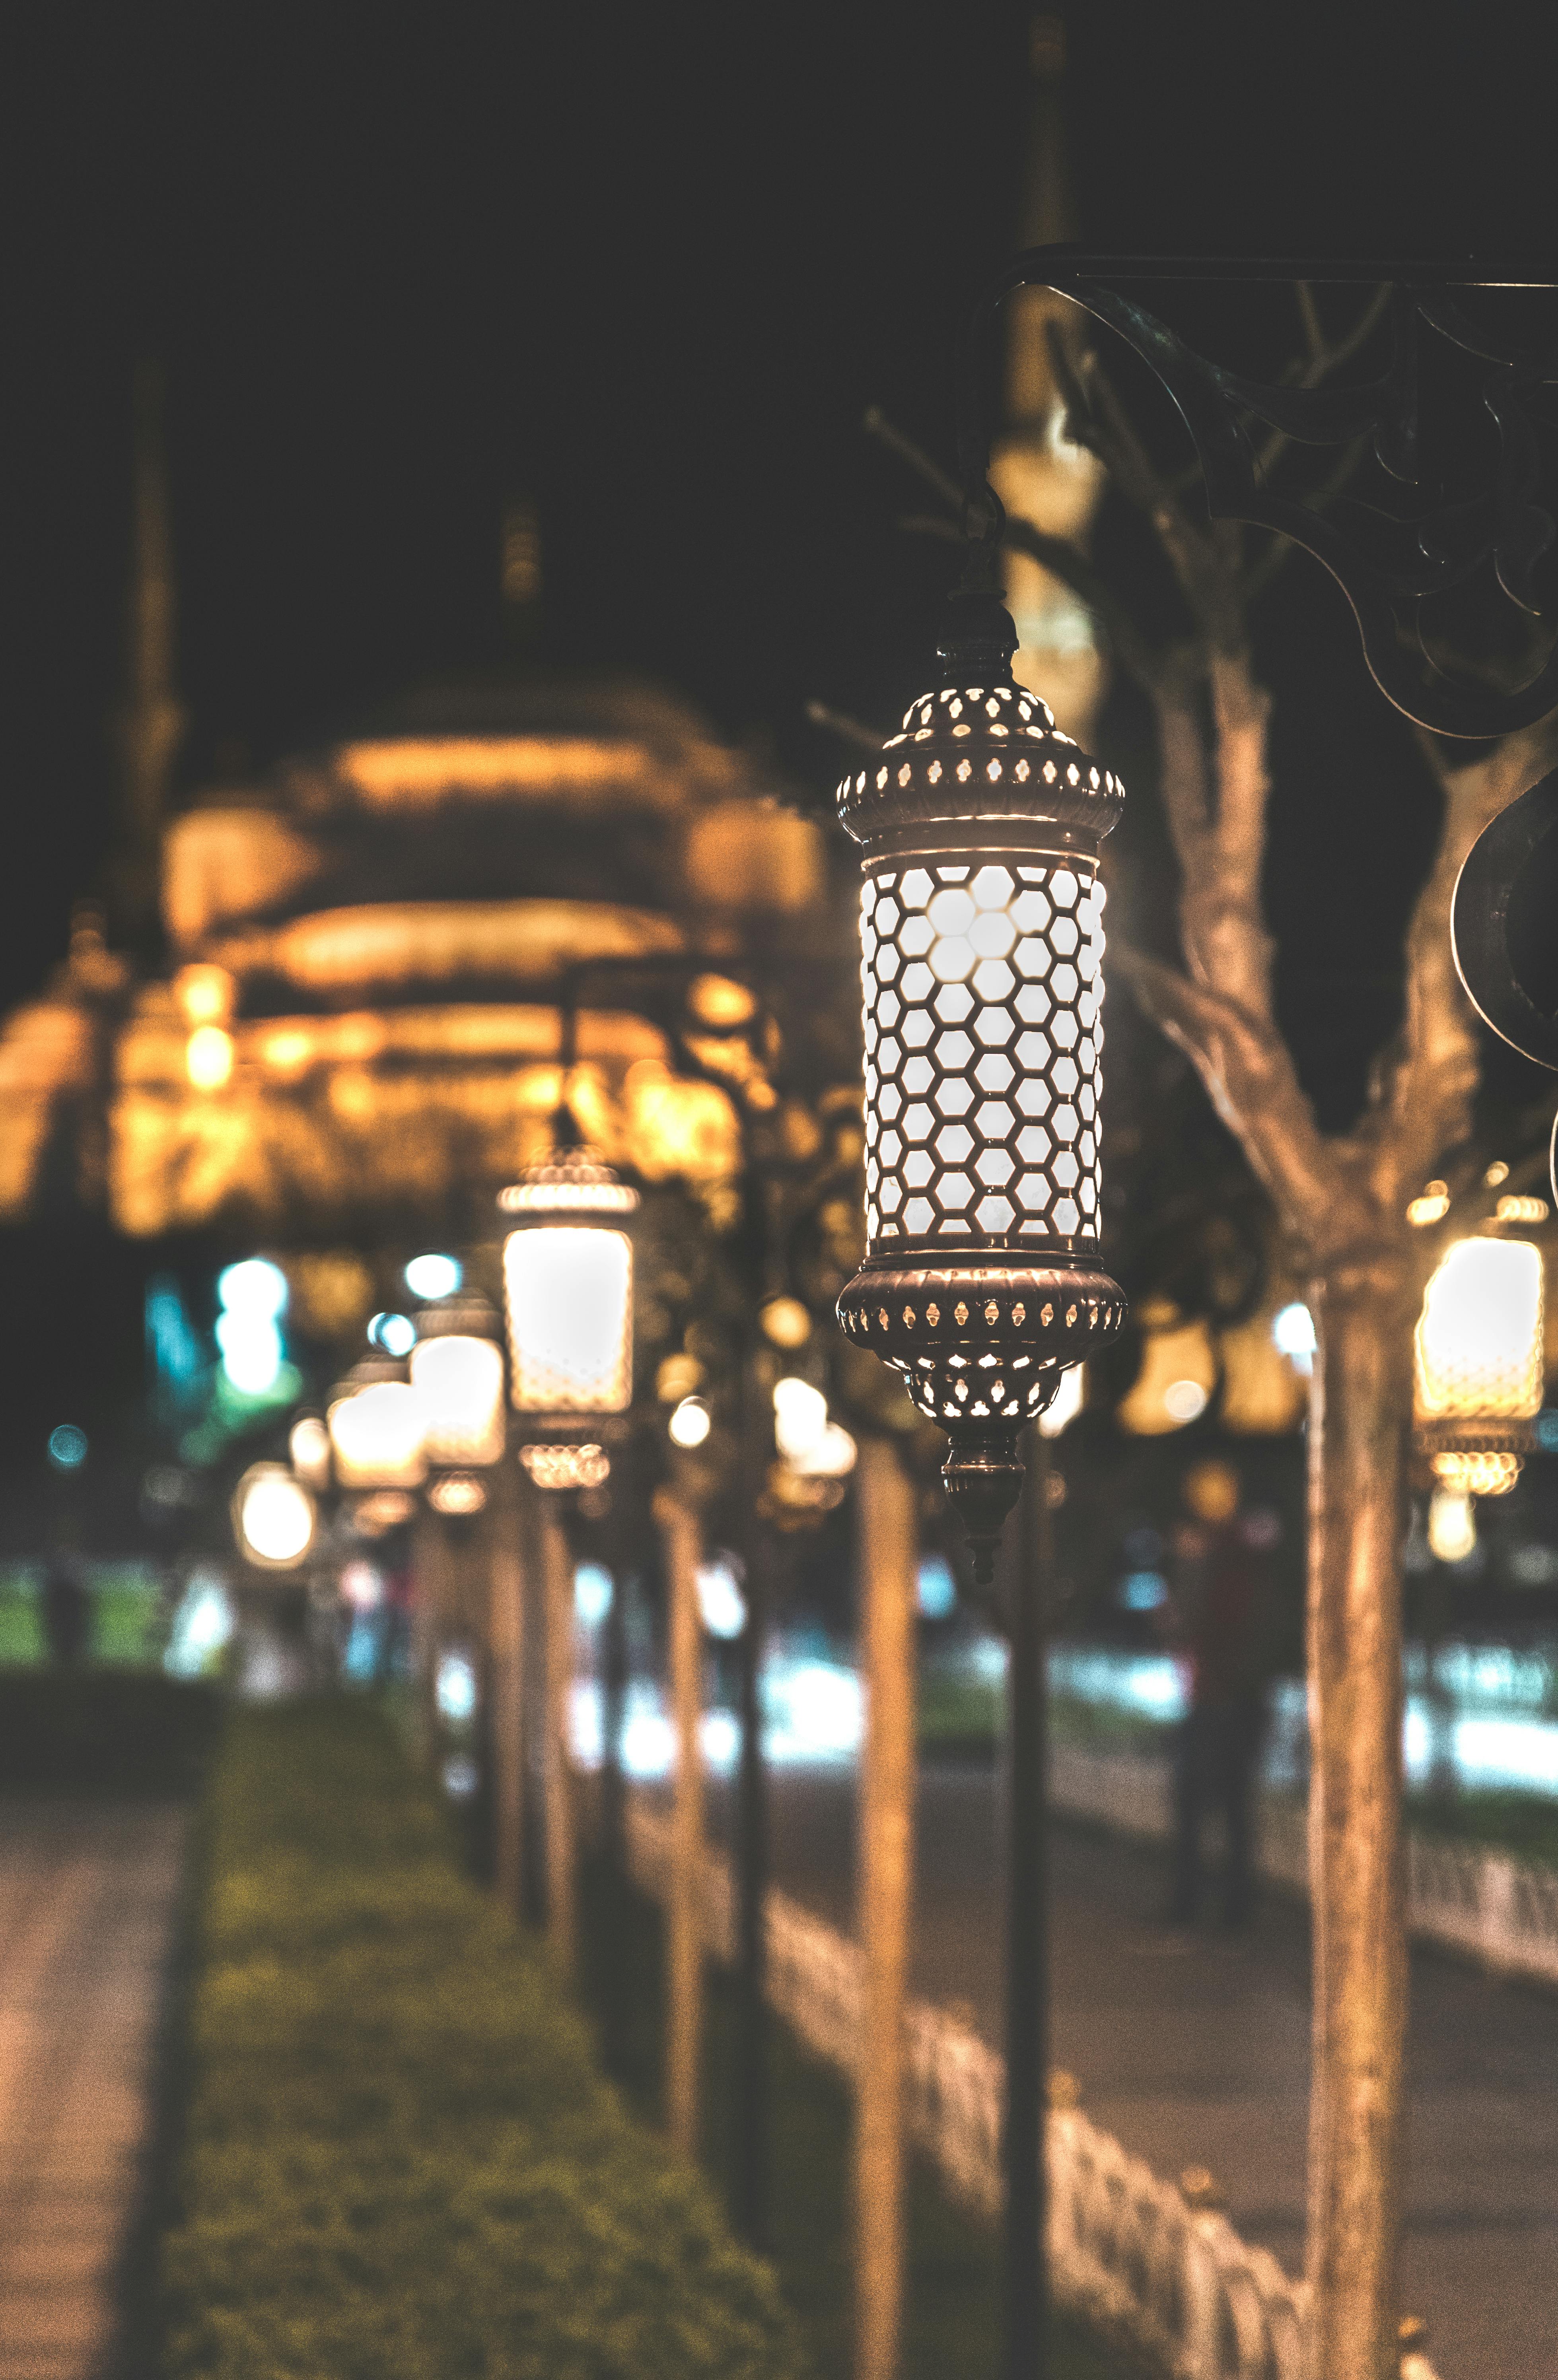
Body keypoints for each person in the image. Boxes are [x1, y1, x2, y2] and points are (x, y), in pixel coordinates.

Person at [1161, 1460, 1277, 1931]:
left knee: (1209, 1803)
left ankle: (1210, 1907)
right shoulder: (1236, 1547)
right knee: (1223, 1805)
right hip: (1220, 1691)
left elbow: (1210, 1620)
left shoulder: (1230, 1551)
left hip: (1223, 1695)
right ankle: (1220, 1906)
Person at [41, 1538, 91, 1667]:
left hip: (67, 1595)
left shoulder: (61, 1556)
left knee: (68, 1626)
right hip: (65, 1595)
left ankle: (68, 1657)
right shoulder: (68, 1556)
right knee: (65, 1626)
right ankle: (66, 1657)